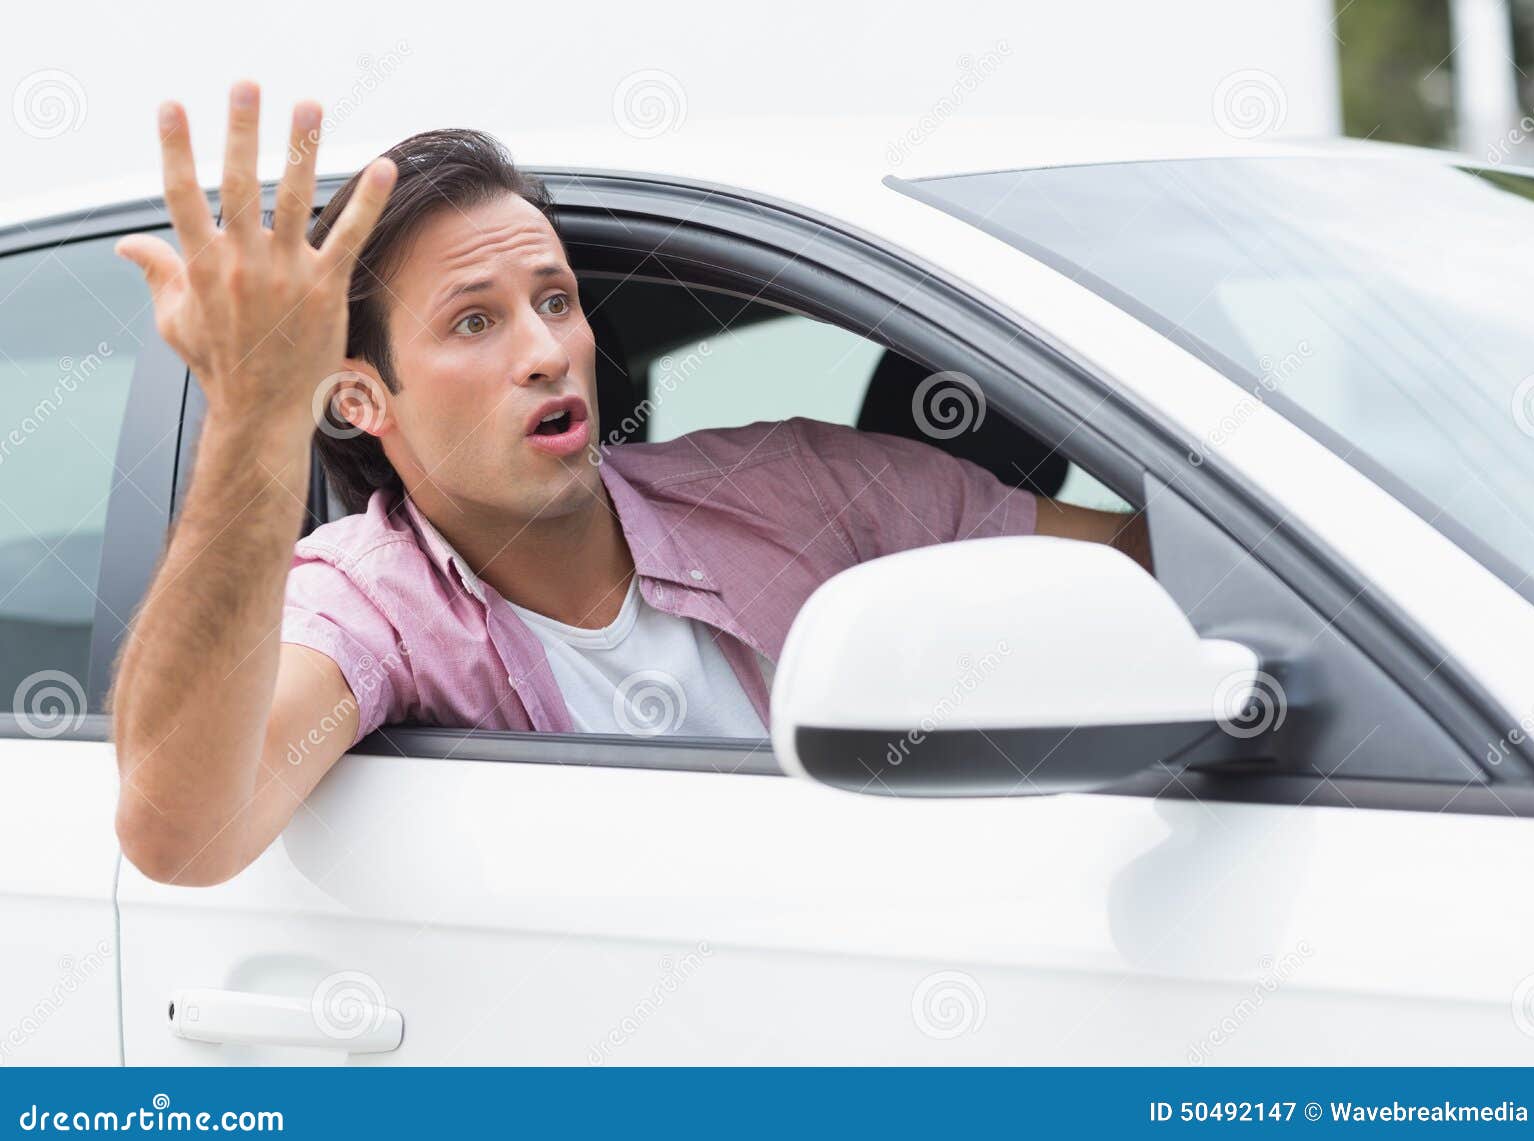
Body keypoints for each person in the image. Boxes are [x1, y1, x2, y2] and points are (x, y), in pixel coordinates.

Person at [108, 82, 1151, 886]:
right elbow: (182, 835)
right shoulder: (370, 598)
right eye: (475, 320)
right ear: (358, 399)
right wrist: (252, 412)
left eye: (555, 300)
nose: (546, 351)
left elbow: (1183, 574)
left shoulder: (796, 482)